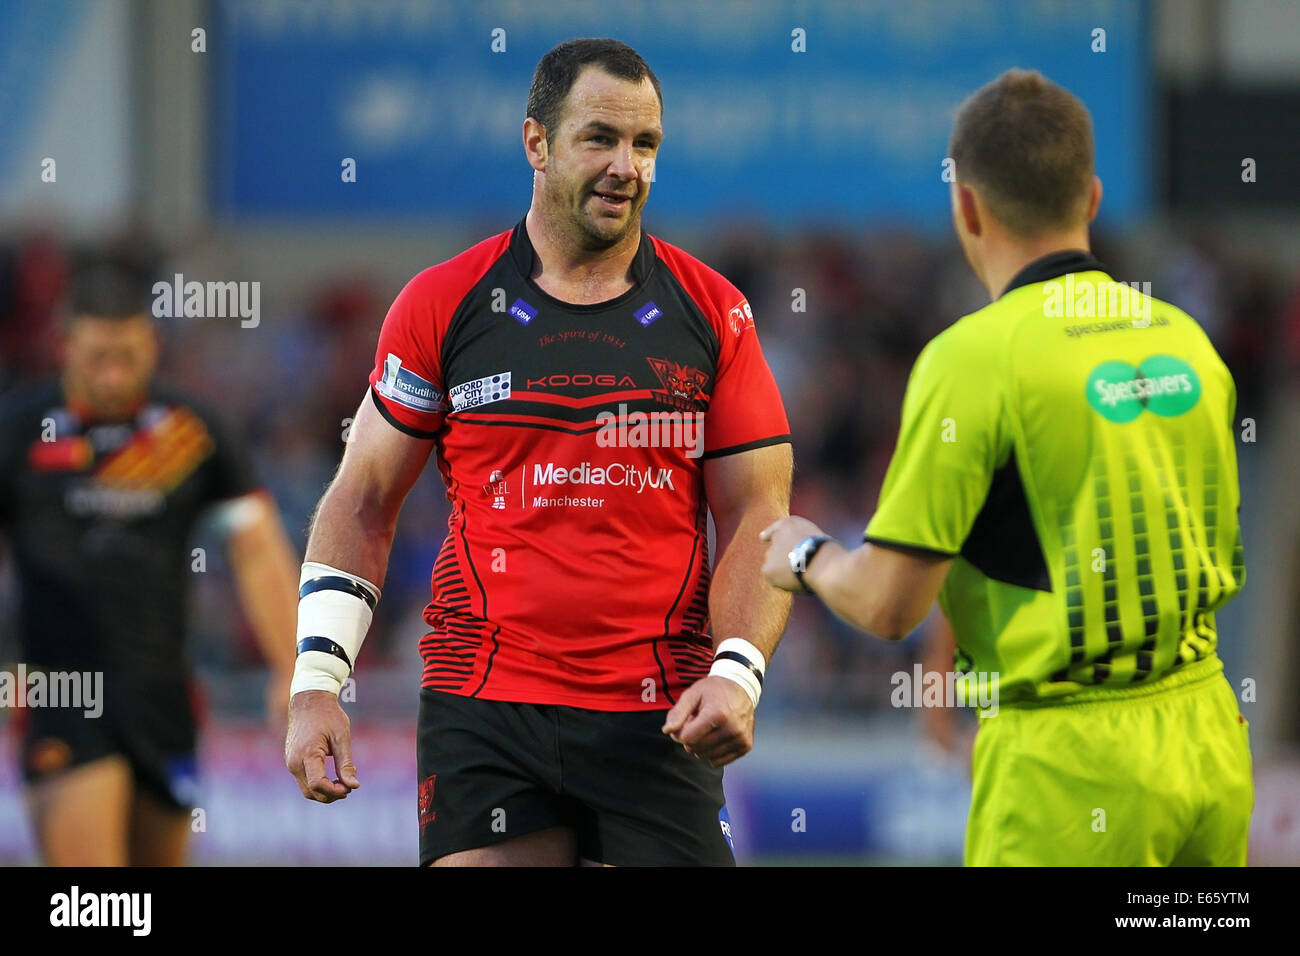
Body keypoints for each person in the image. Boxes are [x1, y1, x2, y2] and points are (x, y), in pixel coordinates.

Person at [284, 38, 794, 867]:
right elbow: (363, 499)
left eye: (646, 145)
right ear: (537, 143)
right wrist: (316, 683)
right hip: (484, 707)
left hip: (657, 711)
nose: (626, 166)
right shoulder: (442, 304)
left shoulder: (715, 312)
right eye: (600, 138)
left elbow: (757, 515)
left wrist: (738, 673)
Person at [761, 69, 1252, 866]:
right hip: (1209, 740)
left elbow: (887, 603)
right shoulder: (1186, 342)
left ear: (966, 206)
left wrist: (807, 556)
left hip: (1067, 771)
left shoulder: (972, 361)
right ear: (1090, 198)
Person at [0, 263, 300, 866]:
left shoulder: (193, 431)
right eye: (98, 356)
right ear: (64, 344)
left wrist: (294, 669)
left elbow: (258, 550)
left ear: (152, 343)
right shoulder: (17, 430)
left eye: (128, 355)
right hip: (63, 692)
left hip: (164, 695)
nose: (113, 374)